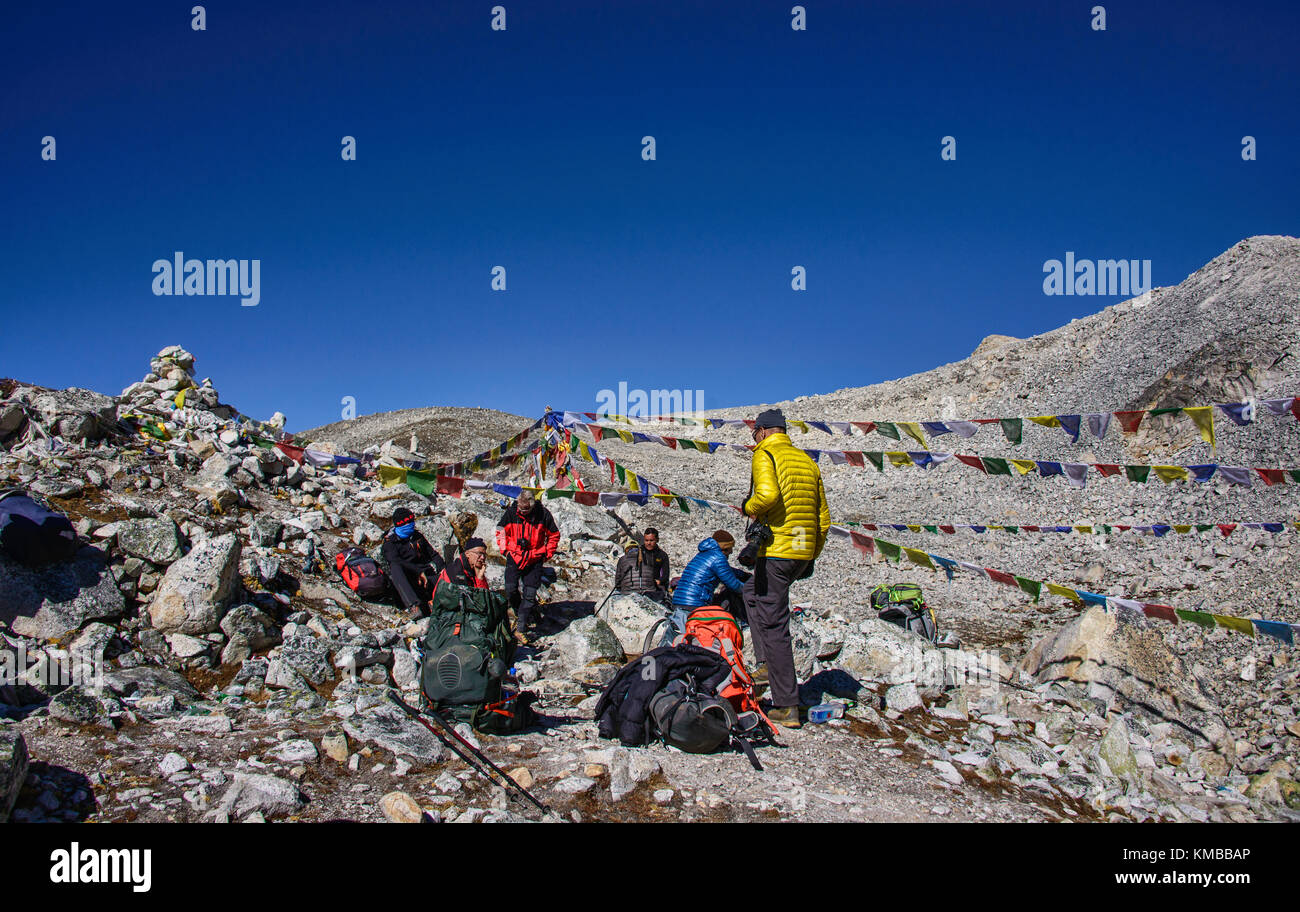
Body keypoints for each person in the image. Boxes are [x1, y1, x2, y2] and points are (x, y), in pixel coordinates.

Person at [741, 409, 830, 728]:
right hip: (802, 550)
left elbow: (767, 496)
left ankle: (786, 704)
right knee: (750, 591)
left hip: (777, 549)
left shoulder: (766, 454)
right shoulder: (807, 461)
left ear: (762, 431)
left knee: (775, 622)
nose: (754, 439)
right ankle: (766, 663)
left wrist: (749, 508)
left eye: (754, 434)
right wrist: (810, 555)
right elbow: (823, 518)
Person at [660, 530, 749, 647]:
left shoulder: (705, 554)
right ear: (724, 548)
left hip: (680, 600)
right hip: (695, 603)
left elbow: (727, 570)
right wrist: (750, 589)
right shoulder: (718, 558)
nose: (730, 554)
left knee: (682, 635)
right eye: (729, 551)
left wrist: (742, 574)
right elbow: (734, 585)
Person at [495, 490, 560, 641]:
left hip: (534, 557)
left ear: (532, 506)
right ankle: (521, 613)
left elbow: (554, 535)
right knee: (510, 589)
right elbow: (500, 530)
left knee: (530, 594)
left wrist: (546, 554)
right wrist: (505, 550)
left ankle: (521, 628)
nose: (522, 512)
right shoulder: (511, 513)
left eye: (525, 510)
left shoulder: (543, 514)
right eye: (520, 509)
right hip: (515, 556)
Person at [382, 507, 444, 616]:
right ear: (399, 525)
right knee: (395, 567)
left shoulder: (417, 536)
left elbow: (433, 555)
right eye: (407, 523)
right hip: (410, 581)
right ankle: (414, 606)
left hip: (428, 576)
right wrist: (418, 572)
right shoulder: (390, 543)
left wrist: (443, 569)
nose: (411, 525)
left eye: (412, 522)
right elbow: (395, 561)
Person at [613, 526, 671, 605]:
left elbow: (665, 574)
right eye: (646, 540)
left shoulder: (662, 555)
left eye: (651, 540)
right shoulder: (640, 552)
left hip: (655, 586)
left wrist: (660, 581)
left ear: (657, 540)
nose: (648, 543)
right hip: (646, 588)